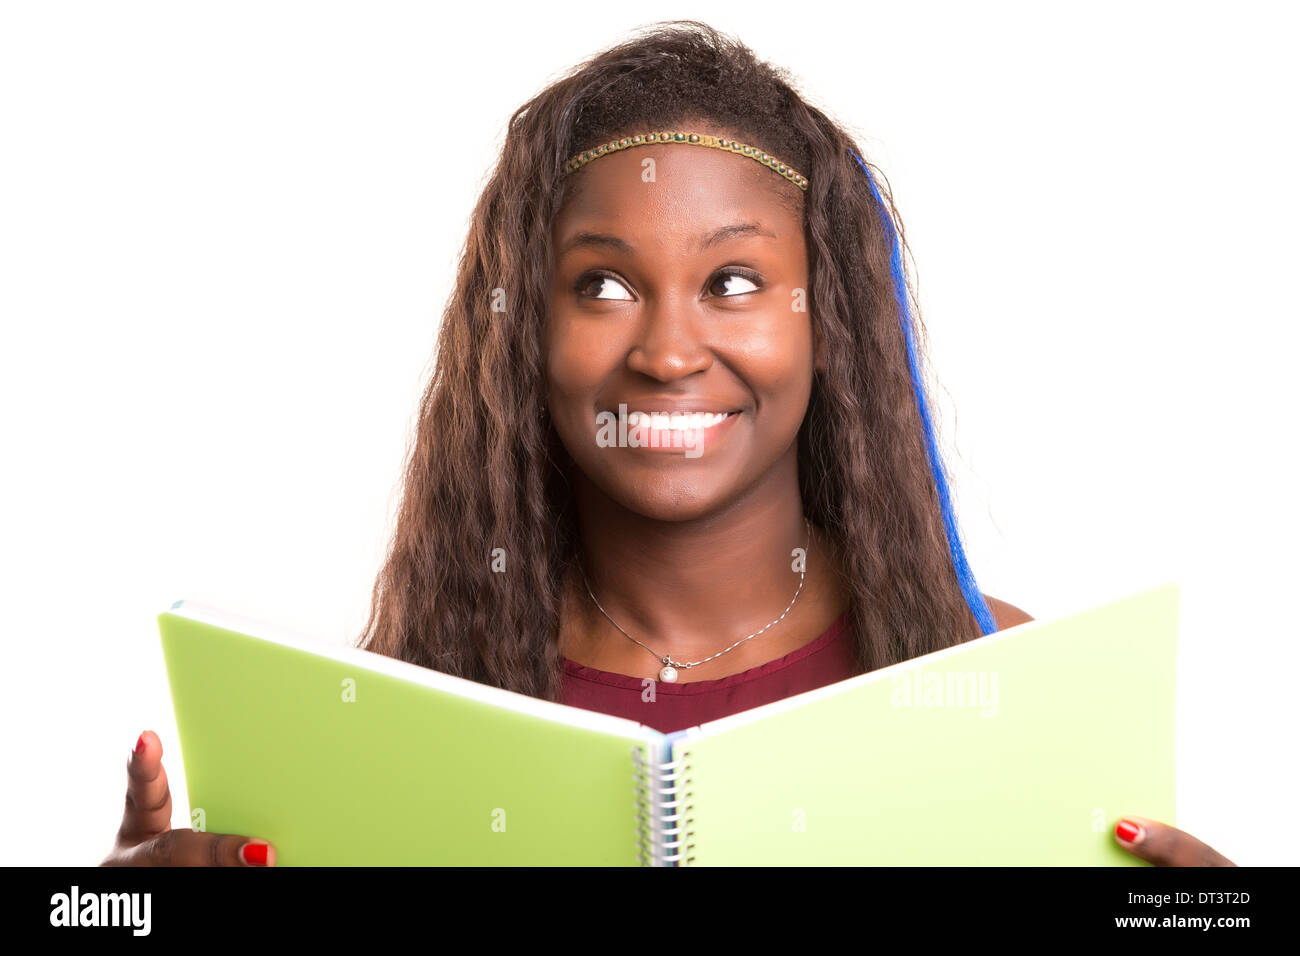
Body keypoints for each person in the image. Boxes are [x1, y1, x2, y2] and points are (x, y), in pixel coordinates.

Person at [102, 20, 1236, 867]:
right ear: (521, 332)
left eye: (733, 280)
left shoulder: (1002, 680)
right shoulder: (393, 718)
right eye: (601, 284)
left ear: (825, 314)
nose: (668, 349)